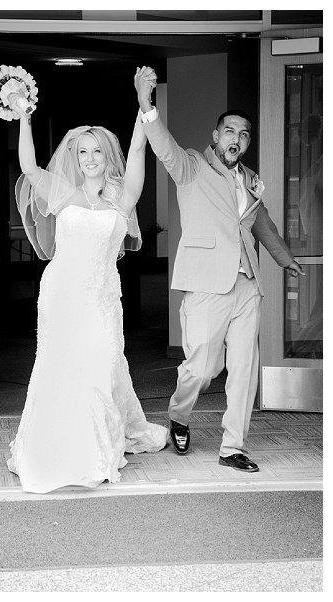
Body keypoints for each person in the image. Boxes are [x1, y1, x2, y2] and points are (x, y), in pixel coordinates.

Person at [6, 68, 168, 494]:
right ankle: (56, 445)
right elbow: (27, 165)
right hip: (61, 293)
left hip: (101, 297)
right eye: (82, 153)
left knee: (100, 364)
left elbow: (138, 145)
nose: (90, 158)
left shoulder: (124, 194)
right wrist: (24, 118)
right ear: (75, 158)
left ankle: (98, 449)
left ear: (105, 155)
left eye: (97, 151)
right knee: (60, 368)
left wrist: (142, 98)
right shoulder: (61, 192)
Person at [134, 67, 304, 472]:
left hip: (247, 284)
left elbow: (260, 224)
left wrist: (285, 257)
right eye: (230, 131)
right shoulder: (192, 167)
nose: (237, 139)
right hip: (208, 282)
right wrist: (146, 102)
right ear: (216, 136)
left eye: (244, 134)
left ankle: (233, 446)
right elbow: (164, 146)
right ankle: (180, 413)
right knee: (204, 366)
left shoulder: (249, 179)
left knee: (244, 366)